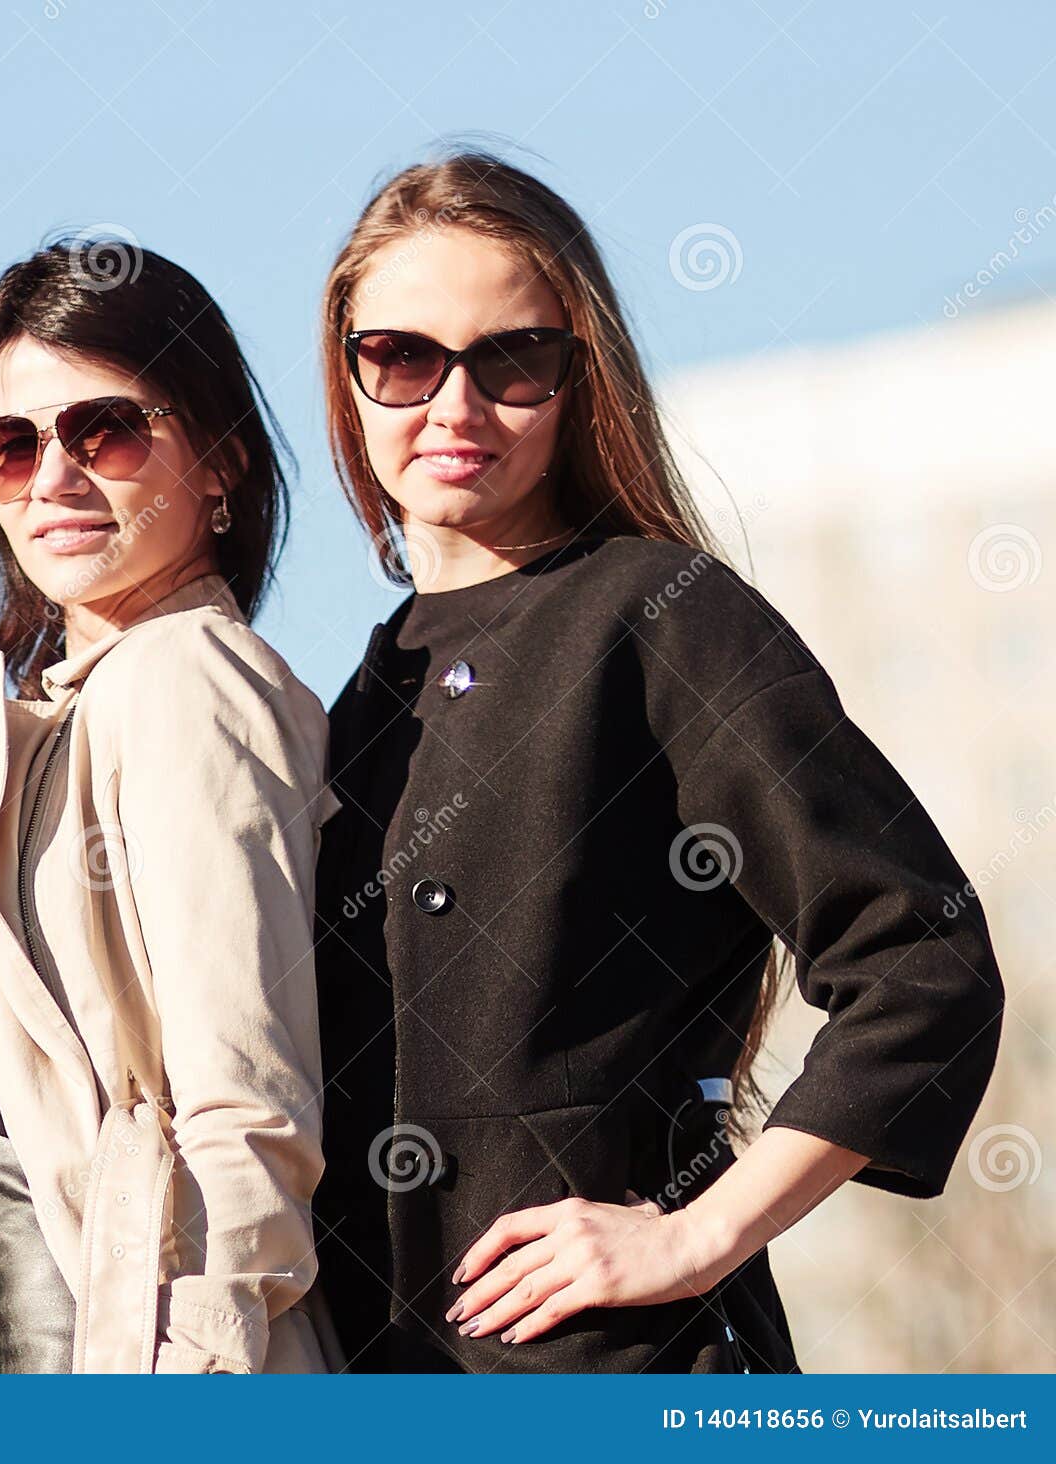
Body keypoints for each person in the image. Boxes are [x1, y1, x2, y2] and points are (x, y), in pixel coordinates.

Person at [310, 150, 1005, 1373]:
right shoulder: (353, 703)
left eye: (511, 359)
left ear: (581, 382)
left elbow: (922, 958)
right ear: (350, 376)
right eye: (404, 358)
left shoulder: (660, 614)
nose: (455, 408)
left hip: (627, 1375)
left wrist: (697, 1239)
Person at [0, 241, 340, 1374]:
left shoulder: (187, 677)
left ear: (220, 463)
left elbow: (247, 1120)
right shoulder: (53, 723)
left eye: (107, 430)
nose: (52, 477)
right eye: (10, 444)